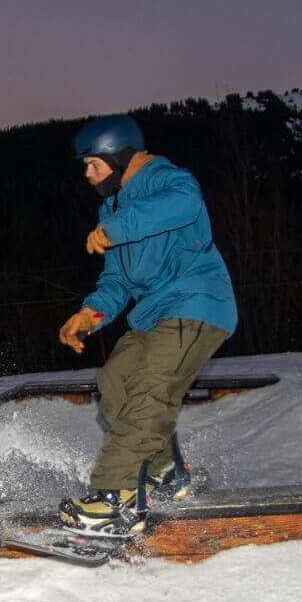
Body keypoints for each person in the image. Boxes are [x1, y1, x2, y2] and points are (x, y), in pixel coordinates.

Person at [55, 114, 238, 536]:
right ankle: (166, 470)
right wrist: (90, 315)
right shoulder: (112, 206)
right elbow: (117, 281)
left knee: (149, 393)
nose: (87, 174)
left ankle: (114, 498)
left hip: (196, 303)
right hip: (154, 313)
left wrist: (115, 228)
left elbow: (185, 204)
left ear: (118, 155)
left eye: (92, 164)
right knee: (115, 383)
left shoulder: (168, 181)